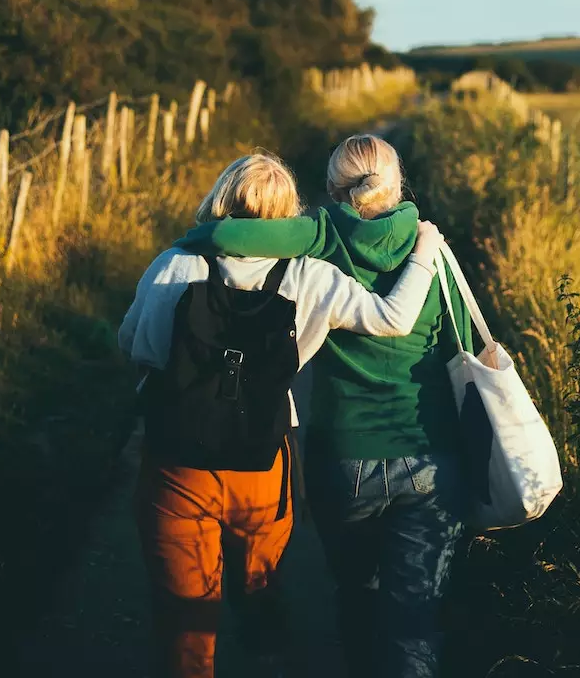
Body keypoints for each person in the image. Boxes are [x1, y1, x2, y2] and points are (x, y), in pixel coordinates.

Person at [118, 151, 442, 678]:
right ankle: (265, 645)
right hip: (265, 458)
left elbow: (136, 345)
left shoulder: (175, 263)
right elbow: (390, 319)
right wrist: (426, 250)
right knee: (259, 581)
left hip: (176, 461)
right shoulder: (313, 276)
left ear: (221, 197)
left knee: (184, 618)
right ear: (291, 211)